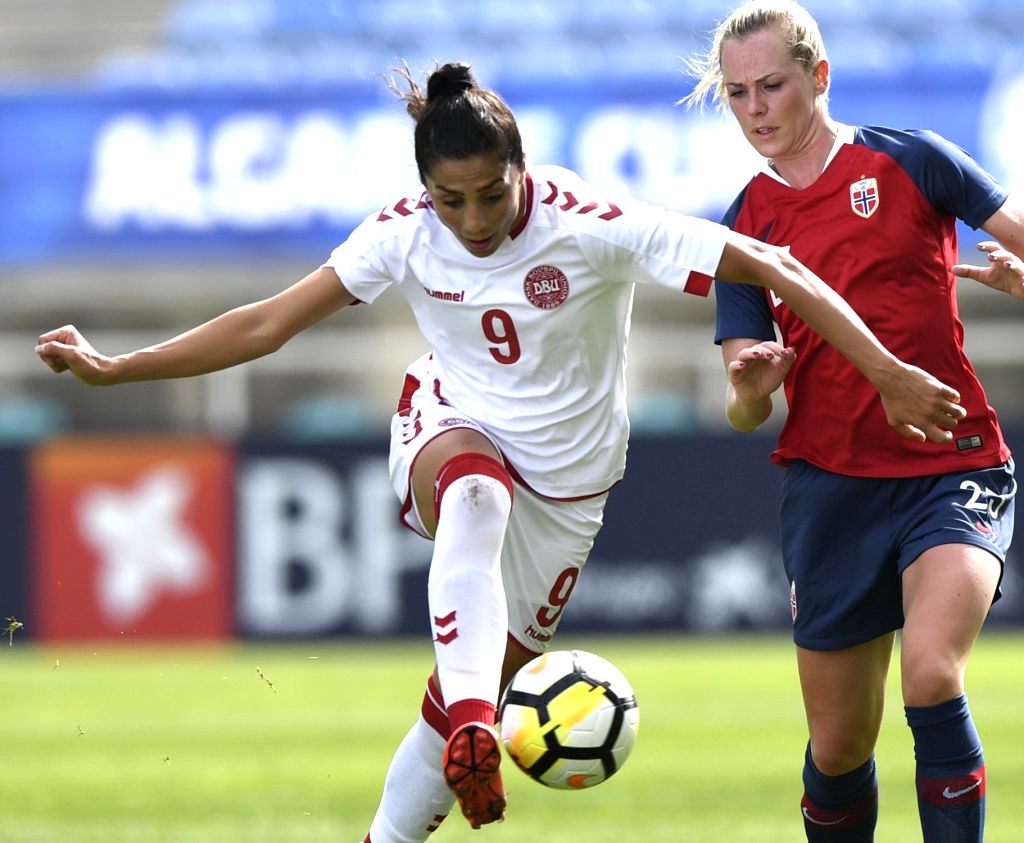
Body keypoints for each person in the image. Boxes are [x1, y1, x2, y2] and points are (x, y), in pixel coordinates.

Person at [37, 62, 966, 842]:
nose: (473, 219)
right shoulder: (402, 230)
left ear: (523, 166)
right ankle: (483, 721)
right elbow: (269, 321)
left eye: (491, 193)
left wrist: (881, 369)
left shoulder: (591, 221)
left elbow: (775, 265)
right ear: (424, 188)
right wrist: (123, 370)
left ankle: (419, 783)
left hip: (569, 486)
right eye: (451, 200)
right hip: (453, 423)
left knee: (456, 689)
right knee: (476, 497)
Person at [682, 2, 1024, 841]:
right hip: (831, 486)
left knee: (932, 674)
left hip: (954, 464)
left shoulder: (912, 161)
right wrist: (754, 388)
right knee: (838, 747)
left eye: (771, 85)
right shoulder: (744, 227)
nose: (755, 108)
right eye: (736, 93)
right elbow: (739, 406)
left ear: (819, 78)